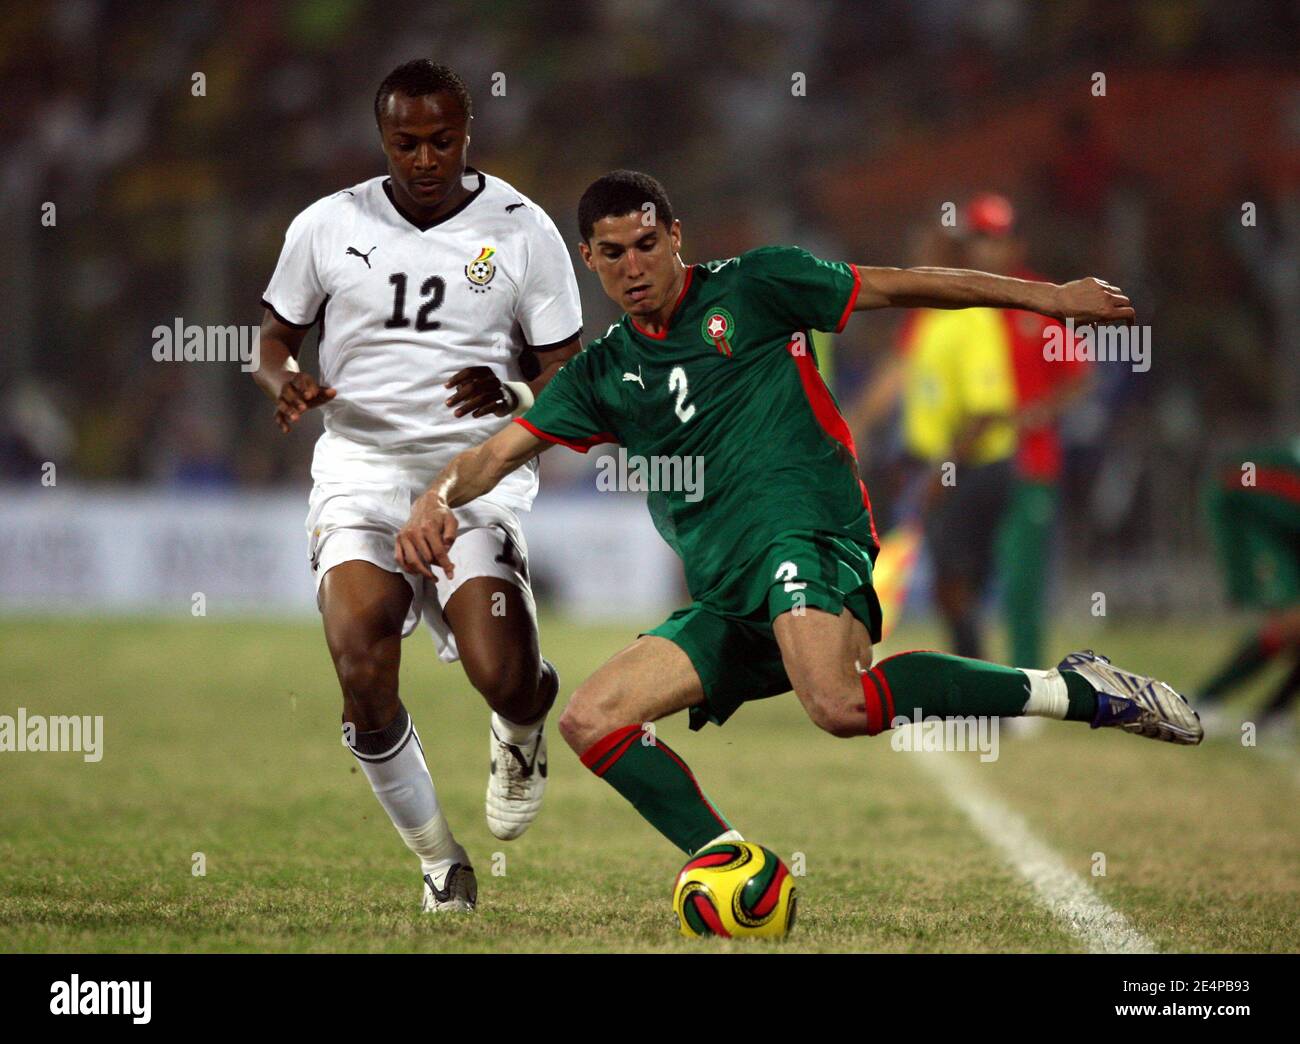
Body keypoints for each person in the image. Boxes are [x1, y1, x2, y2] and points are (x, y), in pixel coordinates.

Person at [395, 170, 1201, 861]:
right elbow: (495, 455)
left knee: (838, 705)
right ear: (589, 258)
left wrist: (1049, 298)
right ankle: (728, 862)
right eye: (613, 253)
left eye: (648, 244)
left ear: (677, 235)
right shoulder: (603, 374)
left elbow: (900, 283)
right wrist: (434, 500)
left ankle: (1075, 693)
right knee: (590, 720)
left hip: (806, 530)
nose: (634, 266)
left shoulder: (758, 284)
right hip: (725, 589)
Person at [252, 60, 582, 911]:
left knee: (501, 673)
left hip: (474, 475)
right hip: (360, 469)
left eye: (443, 140)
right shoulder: (327, 224)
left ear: (467, 135)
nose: (426, 158)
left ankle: (520, 725)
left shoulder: (521, 228)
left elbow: (572, 377)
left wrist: (512, 395)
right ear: (382, 138)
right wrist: (283, 381)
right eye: (407, 142)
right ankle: (441, 861)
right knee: (359, 654)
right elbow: (272, 343)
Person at [1198, 440, 1300, 735]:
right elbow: (1232, 480)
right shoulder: (1278, 470)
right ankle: (1203, 700)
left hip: (1280, 526)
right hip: (1250, 519)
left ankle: (1273, 715)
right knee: (1291, 621)